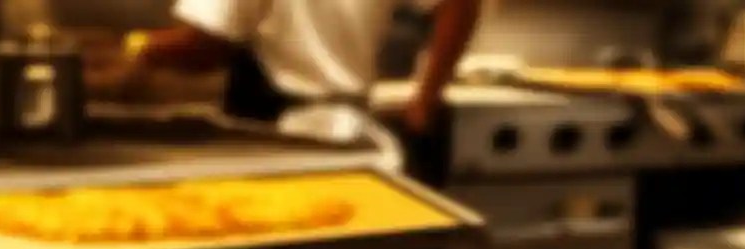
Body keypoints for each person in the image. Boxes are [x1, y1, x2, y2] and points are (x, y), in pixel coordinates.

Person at [84, 0, 481, 133]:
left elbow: (205, 45)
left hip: (281, 139)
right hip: (356, 138)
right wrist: (425, 99)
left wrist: (136, 48)